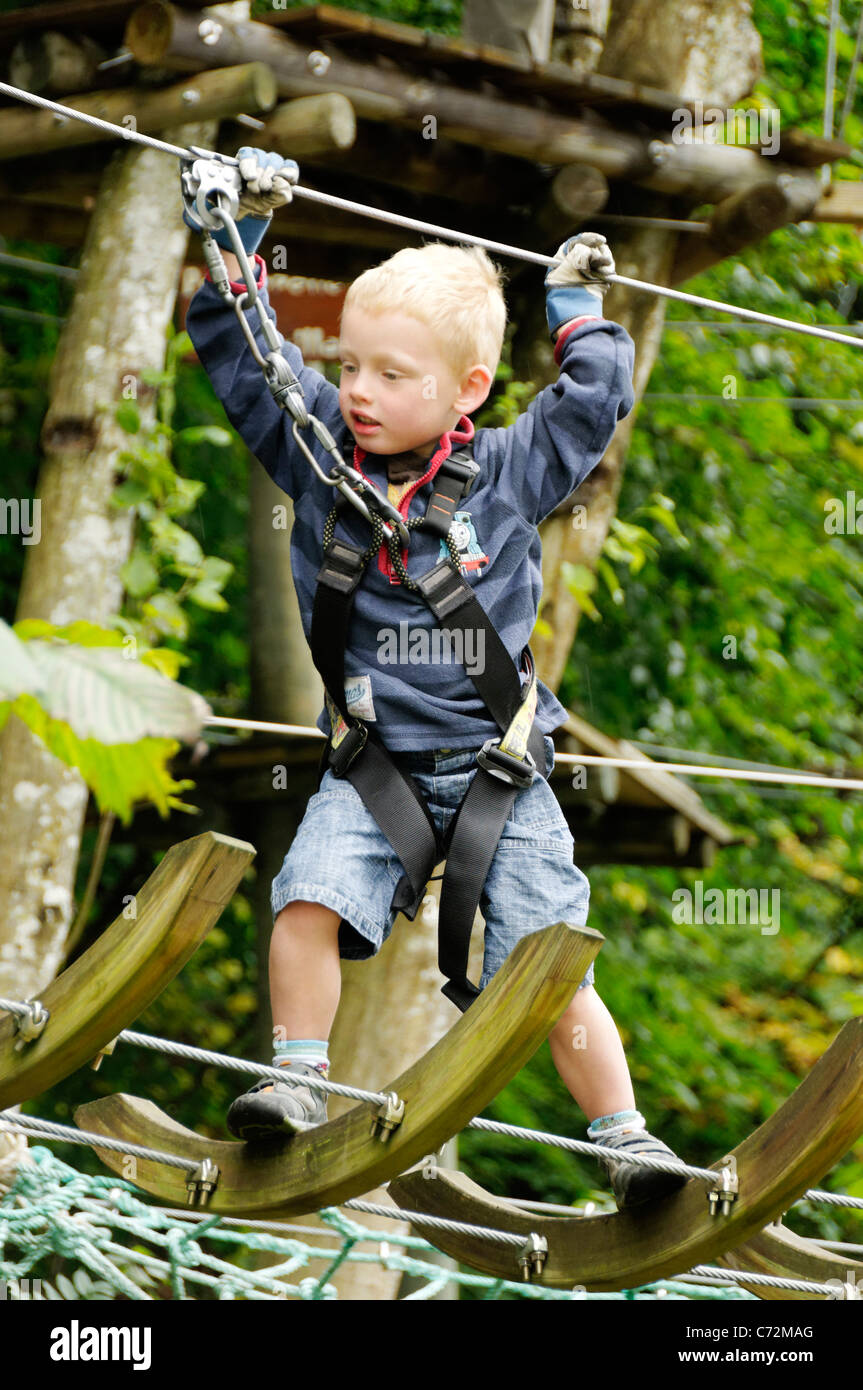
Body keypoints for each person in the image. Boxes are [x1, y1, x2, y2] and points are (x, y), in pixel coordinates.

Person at [183, 149, 688, 1208]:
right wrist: (235, 226)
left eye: (390, 375)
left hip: (500, 773)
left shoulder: (508, 470)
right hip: (372, 769)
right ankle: (296, 1077)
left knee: (553, 961)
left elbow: (594, 398)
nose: (358, 391)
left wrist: (573, 302)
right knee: (304, 903)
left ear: (463, 389)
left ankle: (622, 1136)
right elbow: (245, 350)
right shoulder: (315, 446)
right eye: (353, 364)